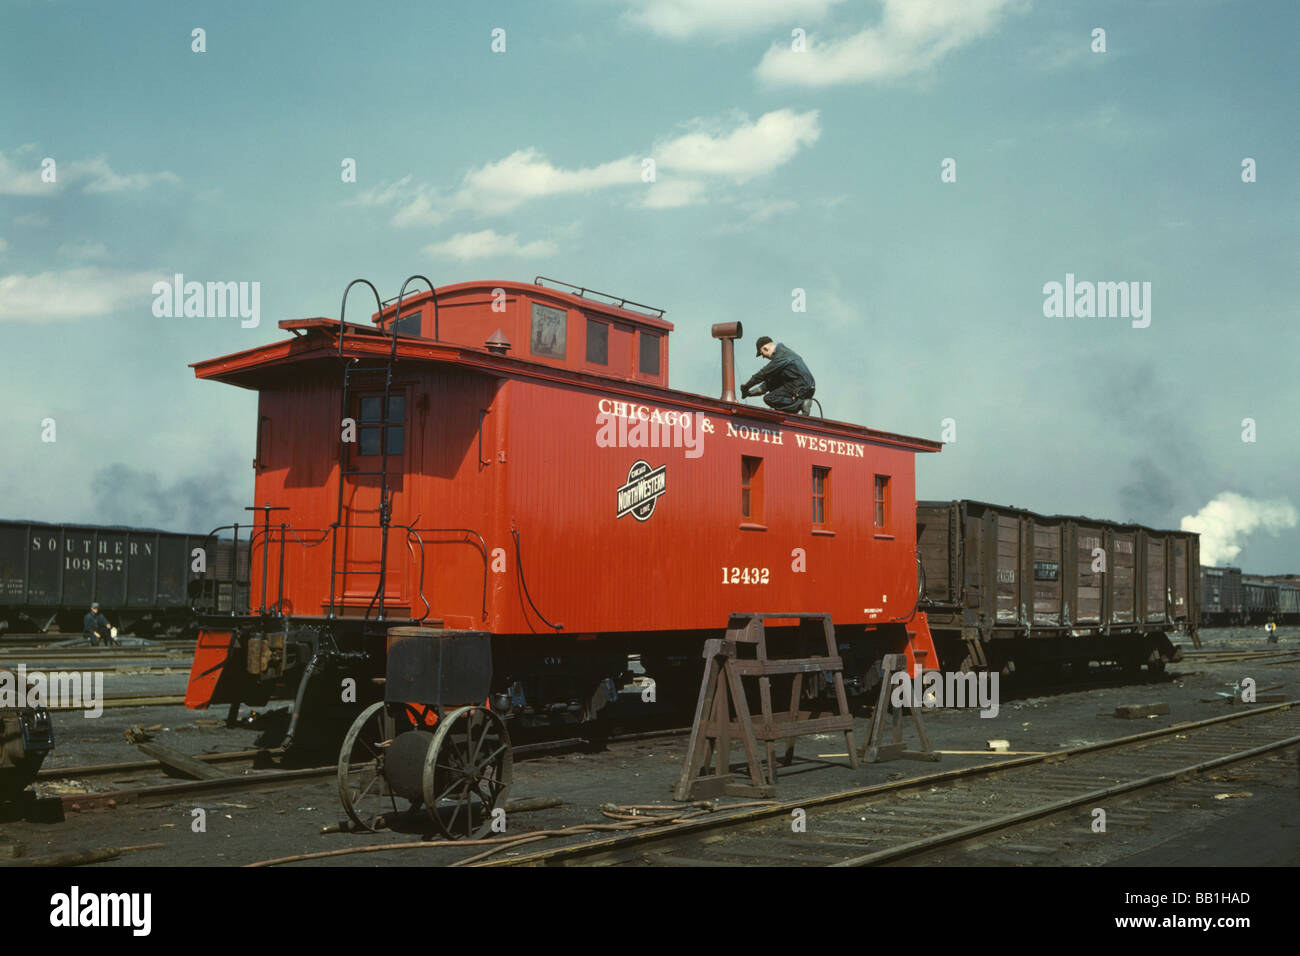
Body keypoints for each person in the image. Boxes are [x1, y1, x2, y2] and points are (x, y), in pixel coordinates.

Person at [741, 336, 816, 414]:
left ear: (766, 348)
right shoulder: (781, 359)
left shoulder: (781, 355)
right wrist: (749, 393)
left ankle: (800, 404)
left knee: (770, 398)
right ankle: (796, 407)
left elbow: (762, 374)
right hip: (801, 386)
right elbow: (766, 386)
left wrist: (746, 386)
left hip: (801, 386)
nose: (763, 357)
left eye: (762, 353)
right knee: (773, 387)